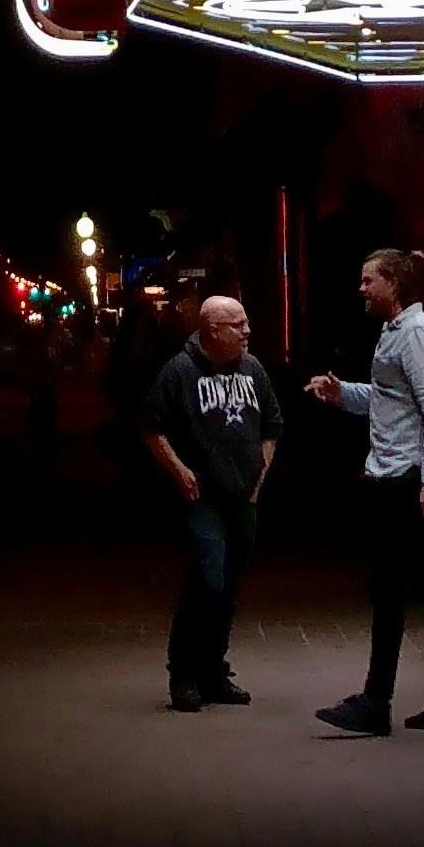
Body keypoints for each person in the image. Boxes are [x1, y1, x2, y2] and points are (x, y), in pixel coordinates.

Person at [306, 248, 424, 734]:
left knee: (388, 589)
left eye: (368, 281)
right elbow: (388, 401)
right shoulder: (395, 332)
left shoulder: (418, 335)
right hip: (395, 474)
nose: (361, 289)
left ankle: (376, 702)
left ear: (393, 286)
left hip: (404, 480)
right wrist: (344, 394)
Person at [140, 291, 284, 710]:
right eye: (238, 325)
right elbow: (152, 426)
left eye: (246, 323)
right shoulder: (180, 372)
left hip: (243, 495)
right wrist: (179, 469)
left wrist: (260, 476)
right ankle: (183, 672)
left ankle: (213, 670)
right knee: (209, 575)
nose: (247, 331)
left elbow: (271, 425)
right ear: (212, 330)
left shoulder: (252, 369)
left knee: (229, 586)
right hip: (202, 495)